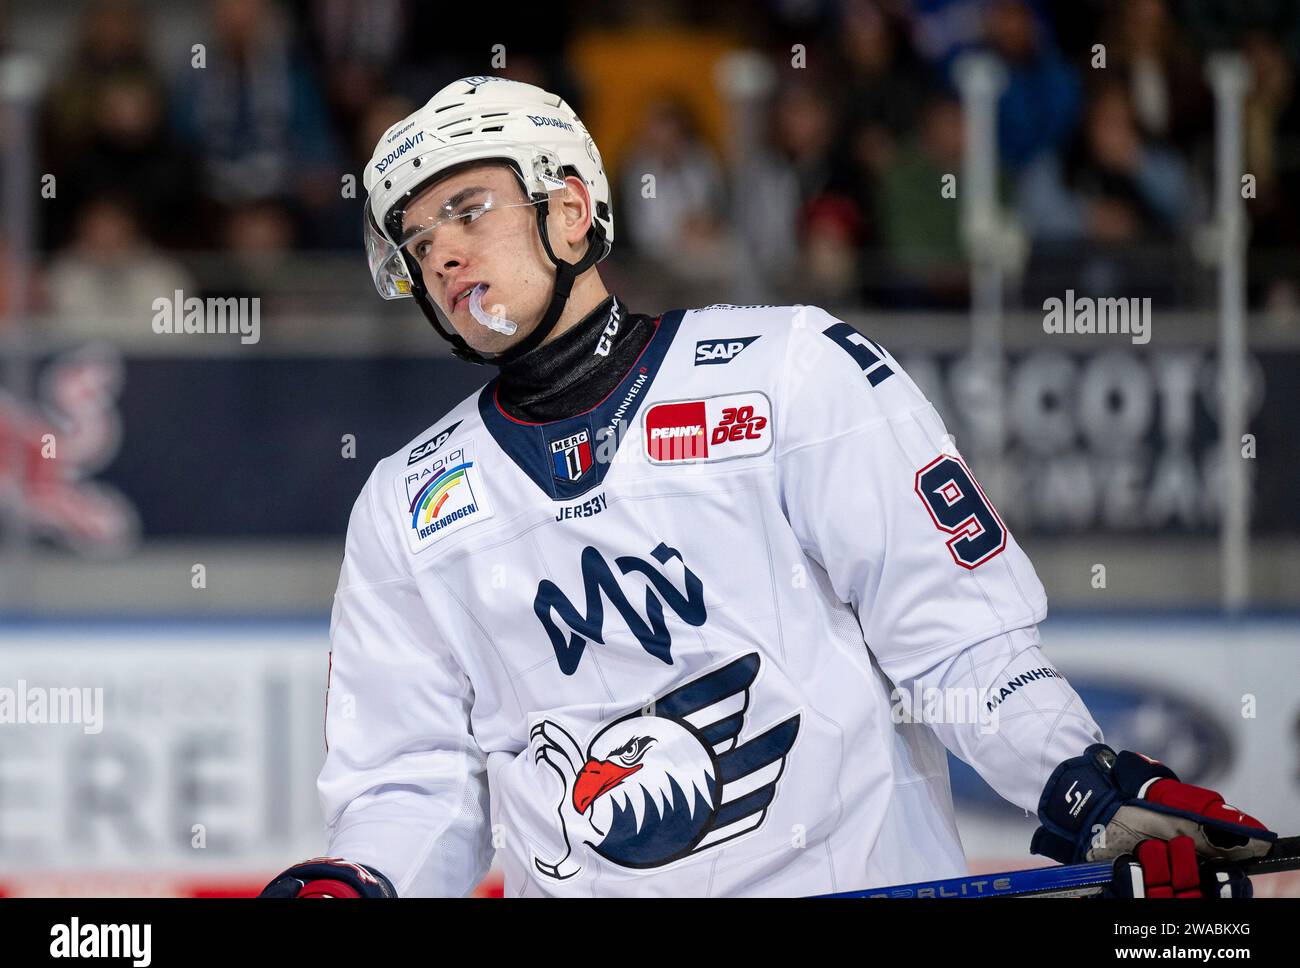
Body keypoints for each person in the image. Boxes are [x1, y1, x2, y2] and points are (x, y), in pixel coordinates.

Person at [261, 77, 1273, 898]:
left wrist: (1085, 782)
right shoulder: (407, 504)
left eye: (465, 208)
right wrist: (364, 882)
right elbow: (417, 780)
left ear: (568, 209)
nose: (438, 249)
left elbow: (956, 641)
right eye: (415, 234)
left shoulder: (787, 369)